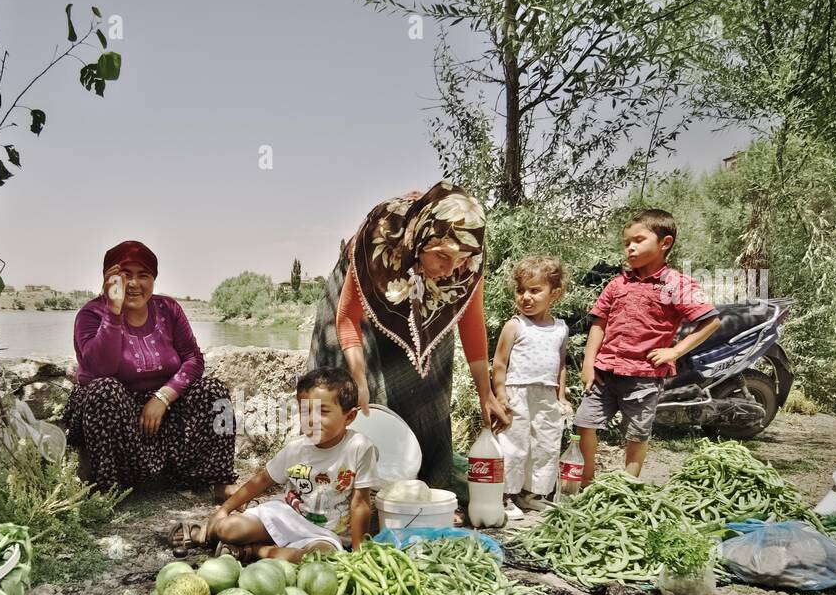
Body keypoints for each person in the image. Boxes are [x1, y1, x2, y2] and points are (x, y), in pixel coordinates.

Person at [307, 181, 508, 490]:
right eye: (442, 256)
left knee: (427, 375)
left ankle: (426, 483)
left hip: (426, 296)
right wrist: (359, 379)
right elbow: (347, 319)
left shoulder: (468, 254)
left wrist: (486, 394)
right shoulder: (379, 239)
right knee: (344, 382)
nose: (450, 269)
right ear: (425, 237)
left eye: (461, 259)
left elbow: (470, 321)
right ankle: (334, 481)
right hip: (370, 282)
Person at [65, 239, 236, 493]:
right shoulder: (91, 315)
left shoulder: (168, 309)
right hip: (114, 417)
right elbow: (101, 370)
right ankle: (108, 489)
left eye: (143, 275)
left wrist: (163, 397)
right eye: (124, 275)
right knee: (104, 390)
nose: (133, 284)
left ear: (153, 279)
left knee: (213, 391)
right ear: (108, 279)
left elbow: (193, 358)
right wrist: (113, 312)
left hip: (162, 411)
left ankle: (217, 480)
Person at [573, 209, 722, 485]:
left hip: (644, 377)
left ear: (665, 243)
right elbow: (599, 324)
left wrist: (674, 352)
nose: (630, 247)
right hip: (605, 372)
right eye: (627, 242)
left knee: (637, 433)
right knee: (584, 423)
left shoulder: (676, 284)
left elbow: (711, 322)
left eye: (639, 240)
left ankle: (627, 487)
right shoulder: (617, 284)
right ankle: (587, 481)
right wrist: (588, 363)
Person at [189, 367, 377, 563]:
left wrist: (358, 552)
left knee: (321, 558)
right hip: (287, 516)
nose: (312, 420)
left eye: (323, 411)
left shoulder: (359, 448)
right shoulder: (296, 449)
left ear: (349, 417)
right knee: (227, 528)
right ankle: (224, 539)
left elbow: (360, 503)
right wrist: (224, 510)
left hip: (325, 533)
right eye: (306, 411)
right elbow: (261, 481)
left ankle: (254, 550)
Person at [491, 255, 570, 520]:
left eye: (535, 290)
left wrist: (561, 396)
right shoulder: (515, 325)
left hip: (546, 394)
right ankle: (505, 496)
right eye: (521, 290)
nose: (526, 297)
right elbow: (499, 364)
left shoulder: (560, 329)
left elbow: (561, 365)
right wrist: (500, 396)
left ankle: (532, 493)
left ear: (554, 294)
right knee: (514, 445)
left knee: (546, 444)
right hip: (517, 392)